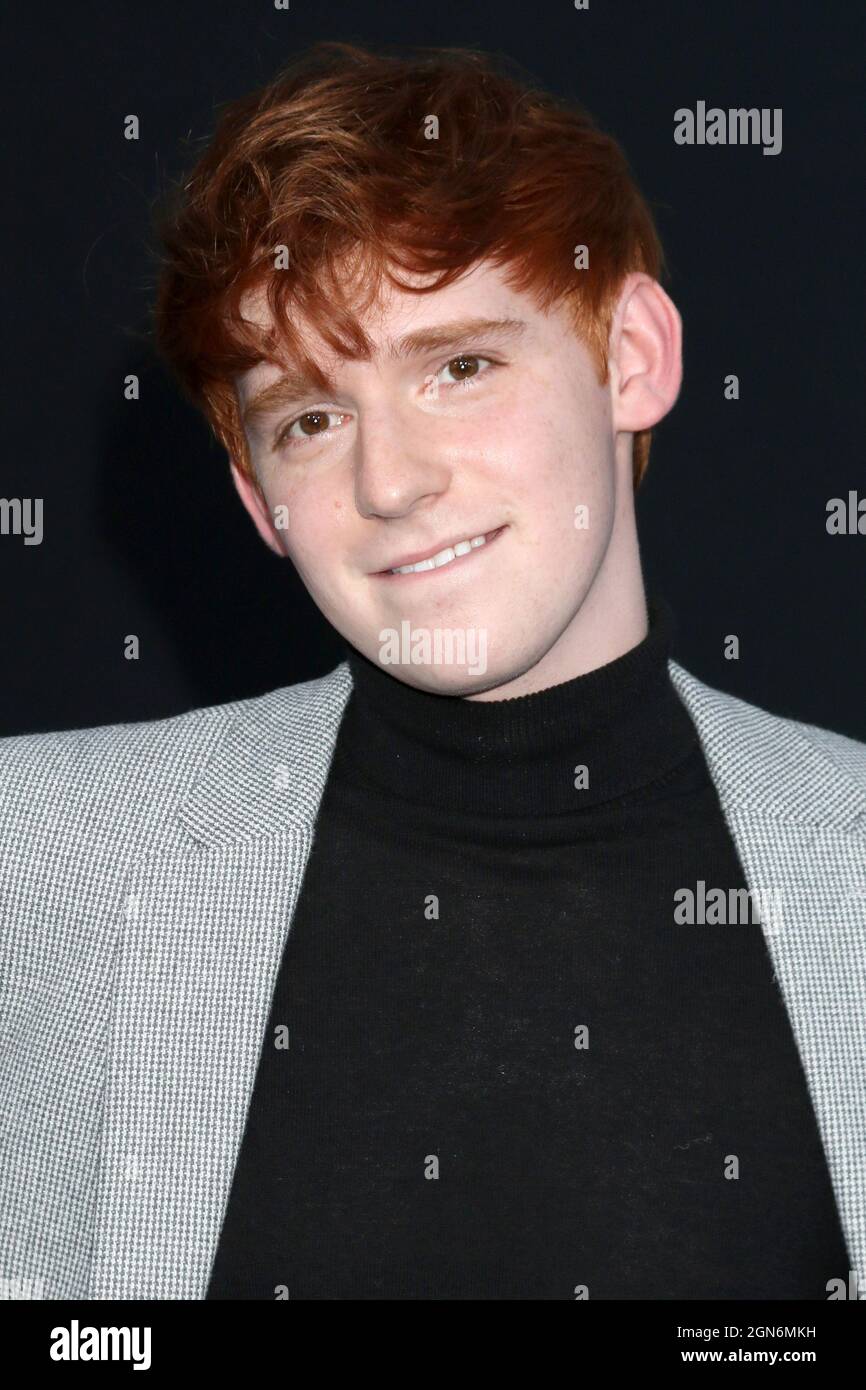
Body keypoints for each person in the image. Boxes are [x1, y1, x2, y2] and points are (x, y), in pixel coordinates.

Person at [1, 40, 864, 1303]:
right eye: (309, 417)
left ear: (630, 357)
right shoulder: (40, 859)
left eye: (458, 366)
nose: (389, 482)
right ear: (257, 498)